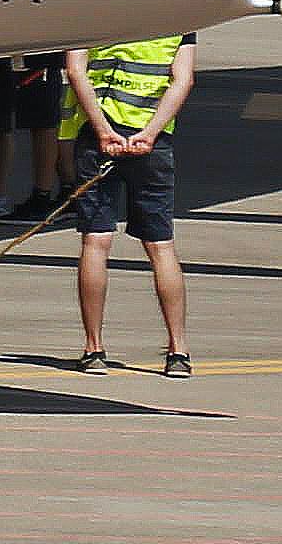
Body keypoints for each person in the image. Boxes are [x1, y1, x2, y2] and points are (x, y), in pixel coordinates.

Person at [69, 32, 198, 378]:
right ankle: (178, 350)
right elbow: (182, 79)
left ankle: (93, 347)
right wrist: (151, 133)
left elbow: (76, 70)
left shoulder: (97, 11)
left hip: (100, 139)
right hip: (151, 144)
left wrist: (102, 130)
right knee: (161, 245)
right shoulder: (177, 19)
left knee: (96, 242)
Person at [0, 48, 75, 219]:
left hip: (37, 51)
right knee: (0, 122)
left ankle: (43, 197)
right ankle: (0, 198)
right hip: (0, 51)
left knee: (43, 121)